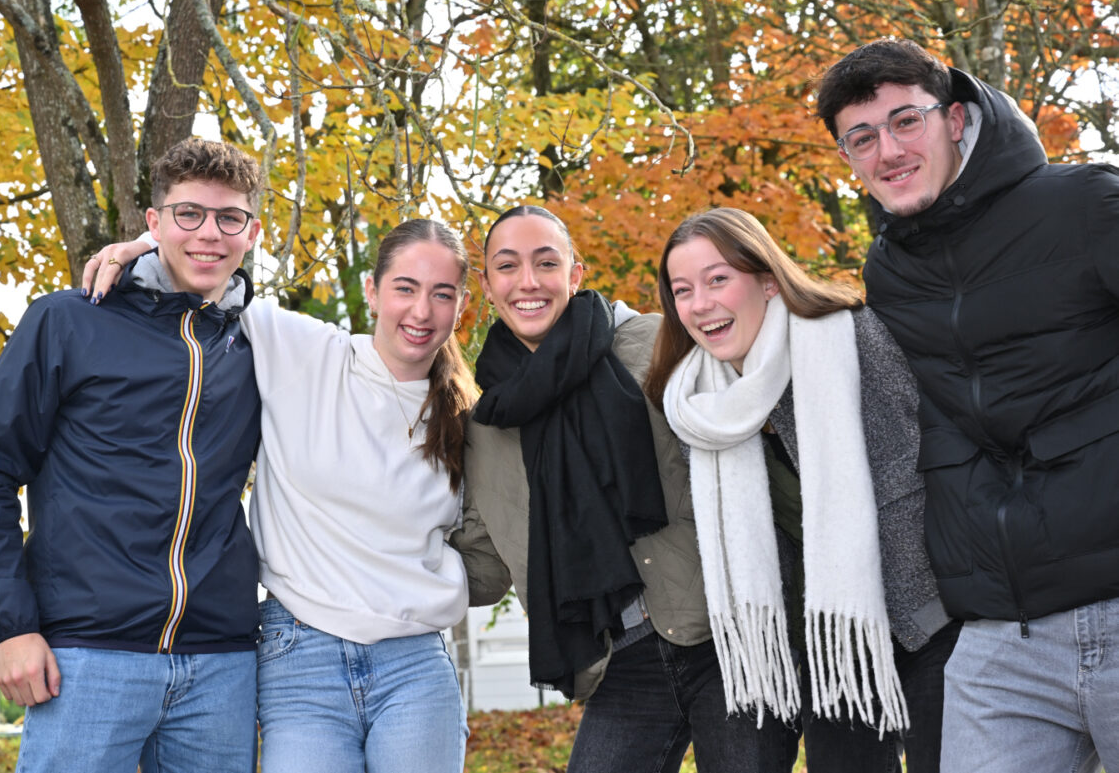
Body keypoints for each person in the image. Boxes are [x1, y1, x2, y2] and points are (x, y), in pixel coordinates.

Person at [814, 38, 1119, 773]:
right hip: (998, 632)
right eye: (862, 137)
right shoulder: (887, 270)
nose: (887, 149)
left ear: (954, 118)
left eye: (904, 121)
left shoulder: (1084, 204)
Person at [85, 217, 483, 773]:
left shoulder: (467, 417)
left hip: (414, 660)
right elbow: (208, 275)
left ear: (461, 305)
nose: (421, 312)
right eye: (405, 288)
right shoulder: (305, 352)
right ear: (373, 290)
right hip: (301, 656)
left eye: (442, 295)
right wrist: (144, 246)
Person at [0, 138, 265, 772]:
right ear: (153, 223)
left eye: (229, 217)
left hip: (220, 663)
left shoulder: (262, 342)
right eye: (188, 215)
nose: (210, 233)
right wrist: (12, 626)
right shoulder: (68, 321)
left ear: (252, 231)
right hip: (86, 657)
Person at [450, 204, 792, 773]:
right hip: (623, 656)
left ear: (576, 273)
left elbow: (762, 435)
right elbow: (486, 563)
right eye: (507, 266)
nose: (528, 282)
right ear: (486, 283)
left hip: (728, 638)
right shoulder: (488, 425)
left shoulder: (662, 343)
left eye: (546, 262)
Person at [643, 206, 960, 773]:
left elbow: (920, 463)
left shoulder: (845, 337)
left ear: (767, 280)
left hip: (927, 619)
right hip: (828, 643)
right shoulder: (696, 400)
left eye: (718, 280)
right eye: (682, 289)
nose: (700, 304)